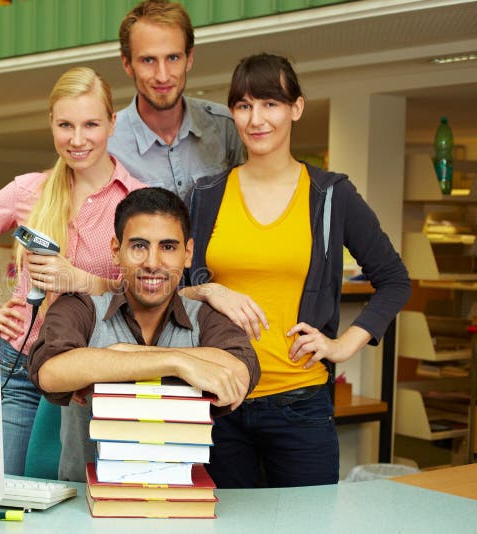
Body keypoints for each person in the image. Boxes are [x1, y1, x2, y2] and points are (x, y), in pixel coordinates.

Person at [184, 53, 411, 488]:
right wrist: (211, 291)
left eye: (271, 103)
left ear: (296, 108)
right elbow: (177, 288)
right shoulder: (207, 195)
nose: (257, 118)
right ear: (233, 113)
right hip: (217, 401)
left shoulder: (330, 196)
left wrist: (344, 345)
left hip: (300, 405)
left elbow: (394, 280)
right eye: (244, 105)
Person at [0, 67, 146, 475]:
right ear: (51, 124)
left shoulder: (138, 201)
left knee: (74, 495)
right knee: (3, 489)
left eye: (90, 124)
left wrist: (83, 281)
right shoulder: (27, 191)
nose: (77, 139)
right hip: (16, 367)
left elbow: (147, 291)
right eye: (65, 125)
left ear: (112, 123)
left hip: (89, 376)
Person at [27, 187, 260, 482]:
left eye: (168, 247)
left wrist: (121, 356)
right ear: (116, 250)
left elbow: (239, 372)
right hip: (85, 508)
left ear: (188, 253)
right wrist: (177, 364)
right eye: (138, 246)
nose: (152, 262)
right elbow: (50, 371)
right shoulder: (80, 307)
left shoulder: (206, 313)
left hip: (179, 507)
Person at [108, 0, 243, 199]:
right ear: (127, 64)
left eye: (173, 58)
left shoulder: (225, 127)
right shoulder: (108, 143)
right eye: (148, 60)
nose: (162, 76)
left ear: (189, 59)